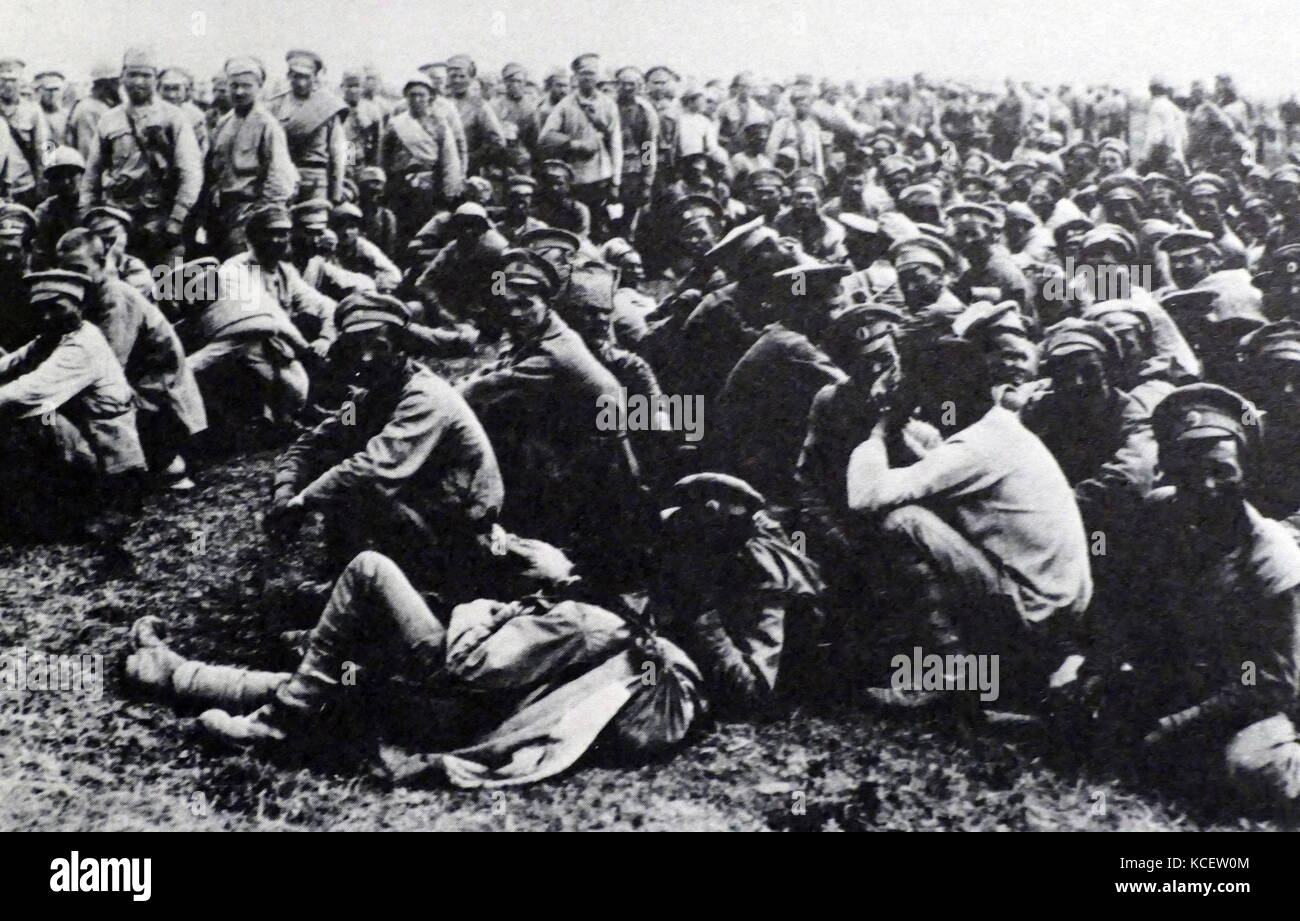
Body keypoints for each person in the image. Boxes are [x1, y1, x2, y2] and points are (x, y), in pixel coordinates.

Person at [1068, 384, 1300, 813]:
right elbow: (1125, 605)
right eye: (1190, 476)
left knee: (1252, 765)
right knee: (1074, 705)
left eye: (1222, 472)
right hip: (1197, 683)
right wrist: (1100, 665)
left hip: (1260, 698)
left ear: (1244, 472)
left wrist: (1180, 723)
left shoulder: (1270, 556)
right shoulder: (1160, 514)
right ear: (1171, 474)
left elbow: (1271, 683)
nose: (1208, 487)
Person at [269, 291, 505, 588]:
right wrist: (285, 492)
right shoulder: (368, 396)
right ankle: (346, 577)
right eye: (356, 347)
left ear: (401, 348)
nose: (366, 358)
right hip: (426, 509)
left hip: (464, 533)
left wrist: (302, 503)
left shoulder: (425, 397)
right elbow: (313, 443)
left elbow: (372, 469)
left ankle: (388, 586)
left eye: (379, 346)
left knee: (358, 483)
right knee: (334, 462)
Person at [0, 269, 146, 539]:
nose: (46, 317)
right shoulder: (55, 337)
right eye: (40, 310)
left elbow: (26, 391)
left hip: (110, 454)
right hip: (86, 435)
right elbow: (11, 363)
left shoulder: (82, 345)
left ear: (78, 305)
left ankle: (100, 506)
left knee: (31, 416)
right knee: (37, 419)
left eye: (55, 308)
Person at [56, 229, 206, 485]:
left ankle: (159, 464)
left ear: (101, 262)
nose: (72, 277)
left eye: (80, 268)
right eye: (65, 270)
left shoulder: (114, 296)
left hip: (160, 401)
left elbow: (109, 365)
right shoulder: (90, 294)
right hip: (141, 390)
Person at [79, 47, 203, 265]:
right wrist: (88, 213)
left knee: (167, 288)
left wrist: (176, 219)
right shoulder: (110, 119)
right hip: (118, 218)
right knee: (120, 283)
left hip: (160, 219)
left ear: (155, 79)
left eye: (146, 75)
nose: (138, 81)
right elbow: (92, 173)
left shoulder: (173, 118)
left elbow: (191, 173)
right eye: (133, 74)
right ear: (122, 77)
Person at [204, 56, 298, 259]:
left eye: (246, 86)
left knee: (245, 273)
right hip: (223, 213)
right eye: (234, 85)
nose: (239, 92)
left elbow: (279, 178)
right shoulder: (223, 123)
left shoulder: (267, 125)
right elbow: (214, 169)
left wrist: (261, 217)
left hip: (250, 213)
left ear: (259, 87)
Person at [539, 54, 622, 241]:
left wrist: (618, 180)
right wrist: (574, 144)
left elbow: (625, 144)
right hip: (574, 177)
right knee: (574, 224)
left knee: (602, 227)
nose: (587, 78)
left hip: (602, 175)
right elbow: (545, 137)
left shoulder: (610, 105)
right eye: (583, 74)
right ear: (576, 77)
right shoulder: (566, 105)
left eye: (592, 74)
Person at [379, 72, 463, 244]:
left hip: (429, 186)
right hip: (400, 186)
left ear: (430, 97)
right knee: (400, 229)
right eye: (412, 95)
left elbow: (450, 159)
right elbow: (382, 156)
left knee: (427, 229)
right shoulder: (395, 124)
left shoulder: (440, 124)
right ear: (406, 97)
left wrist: (450, 189)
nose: (416, 99)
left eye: (421, 95)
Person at [267, 50, 349, 203]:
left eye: (306, 77)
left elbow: (341, 151)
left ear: (315, 77)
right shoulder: (275, 105)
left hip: (316, 181)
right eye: (296, 76)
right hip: (281, 179)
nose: (301, 82)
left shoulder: (328, 105)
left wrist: (337, 189)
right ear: (289, 75)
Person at [0, 58, 51, 206]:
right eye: (3, 80)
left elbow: (47, 147)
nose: (8, 85)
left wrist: (45, 183)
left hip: (25, 187)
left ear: (20, 82)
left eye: (13, 80)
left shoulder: (33, 110)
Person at [32, 147, 85, 269]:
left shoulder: (94, 208)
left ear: (82, 175)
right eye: (58, 177)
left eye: (71, 174)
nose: (66, 182)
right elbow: (40, 252)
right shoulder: (45, 211)